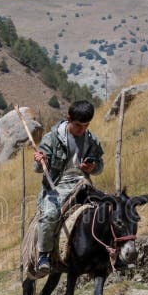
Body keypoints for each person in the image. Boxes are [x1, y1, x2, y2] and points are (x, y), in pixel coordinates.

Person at [33, 100, 104, 272]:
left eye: (86, 125)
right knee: (50, 214)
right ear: (69, 118)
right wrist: (41, 161)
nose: (82, 130)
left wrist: (93, 167)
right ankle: (44, 254)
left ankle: (108, 252)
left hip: (83, 183)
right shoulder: (52, 139)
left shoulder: (92, 140)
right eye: (79, 125)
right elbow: (37, 168)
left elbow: (100, 166)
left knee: (109, 208)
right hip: (57, 185)